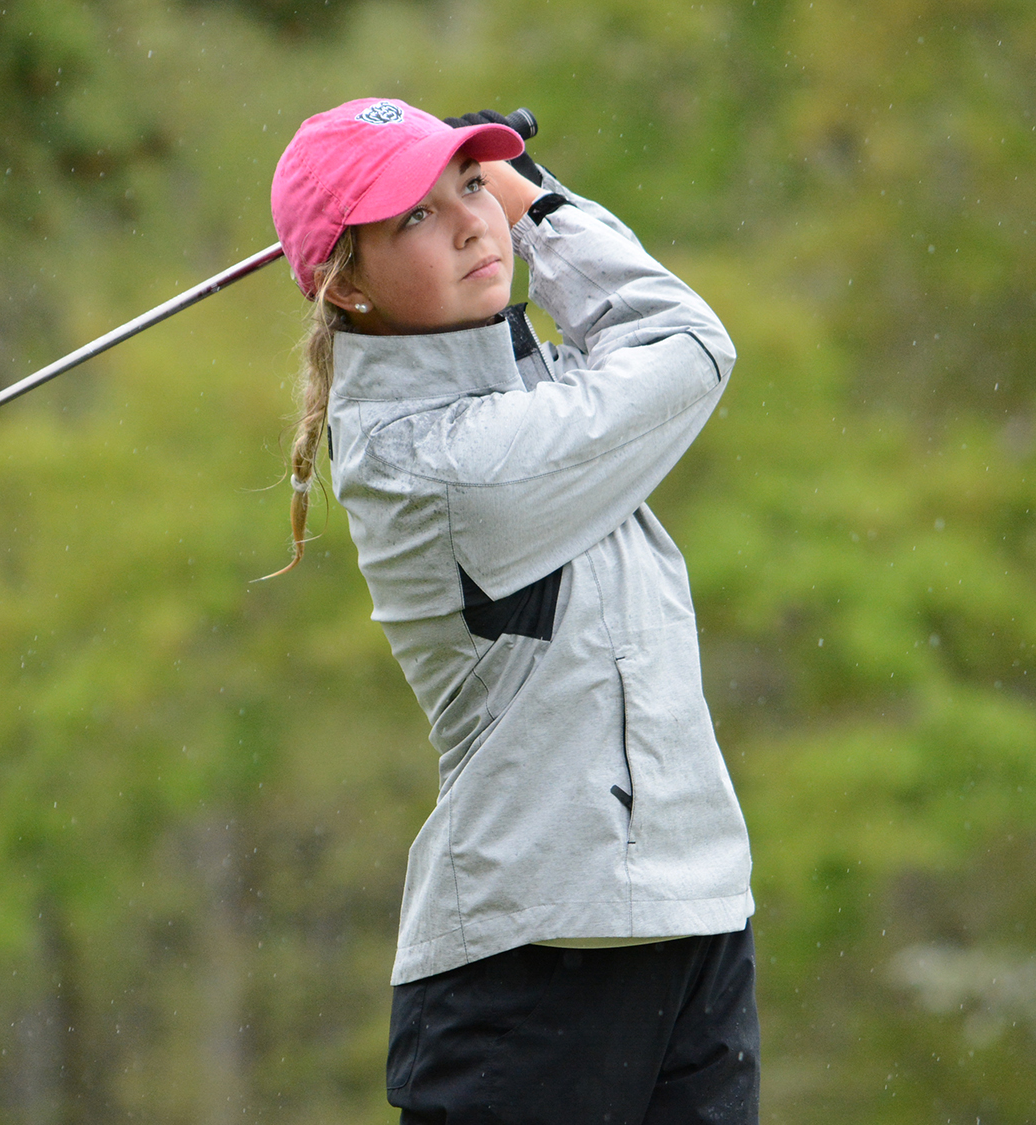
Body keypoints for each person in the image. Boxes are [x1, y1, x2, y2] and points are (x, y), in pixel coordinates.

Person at [267, 98, 757, 1123]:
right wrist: (540, 204)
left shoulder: (524, 384)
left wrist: (506, 199)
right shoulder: (433, 464)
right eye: (411, 216)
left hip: (690, 915)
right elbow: (684, 343)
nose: (466, 222)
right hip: (528, 962)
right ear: (343, 284)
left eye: (468, 187)